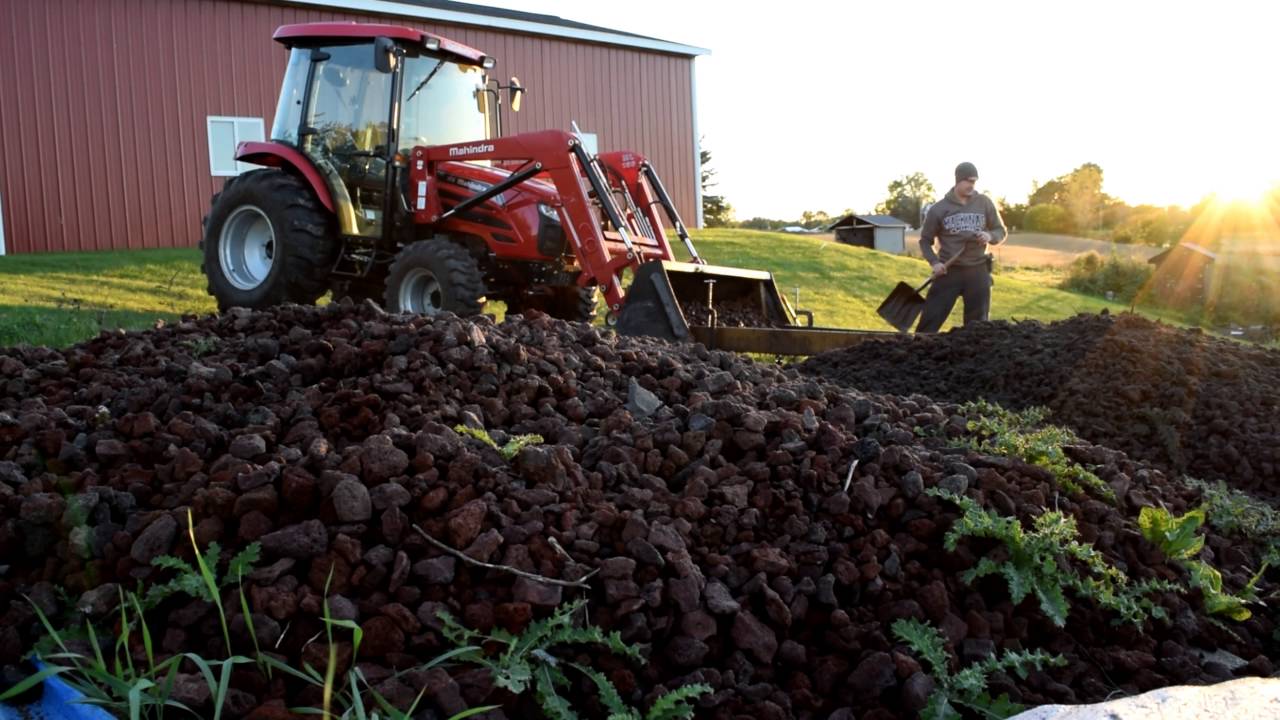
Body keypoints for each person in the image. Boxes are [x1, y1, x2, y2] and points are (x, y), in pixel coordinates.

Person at [915, 162, 1007, 333]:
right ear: (958, 180)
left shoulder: (984, 203)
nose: (972, 185)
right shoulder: (939, 209)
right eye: (968, 181)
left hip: (978, 269)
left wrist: (989, 236)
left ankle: (974, 356)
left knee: (977, 327)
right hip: (949, 270)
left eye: (974, 182)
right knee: (929, 322)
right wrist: (935, 262)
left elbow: (1000, 230)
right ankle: (918, 351)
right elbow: (925, 241)